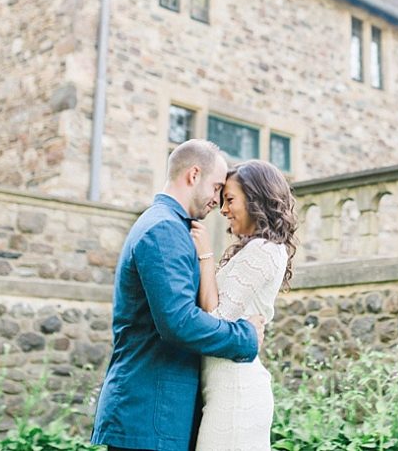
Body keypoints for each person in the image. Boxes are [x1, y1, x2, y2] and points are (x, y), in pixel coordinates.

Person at [92, 140, 267, 451]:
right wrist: (246, 336)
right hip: (149, 415)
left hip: (157, 415)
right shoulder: (163, 229)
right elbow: (179, 322)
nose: (217, 200)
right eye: (215, 188)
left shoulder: (171, 226)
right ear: (193, 175)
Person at [189, 160, 298, 451]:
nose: (223, 209)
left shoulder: (263, 252)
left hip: (236, 394)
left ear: (256, 200)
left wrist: (206, 257)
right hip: (225, 389)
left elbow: (216, 319)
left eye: (230, 199)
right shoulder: (255, 248)